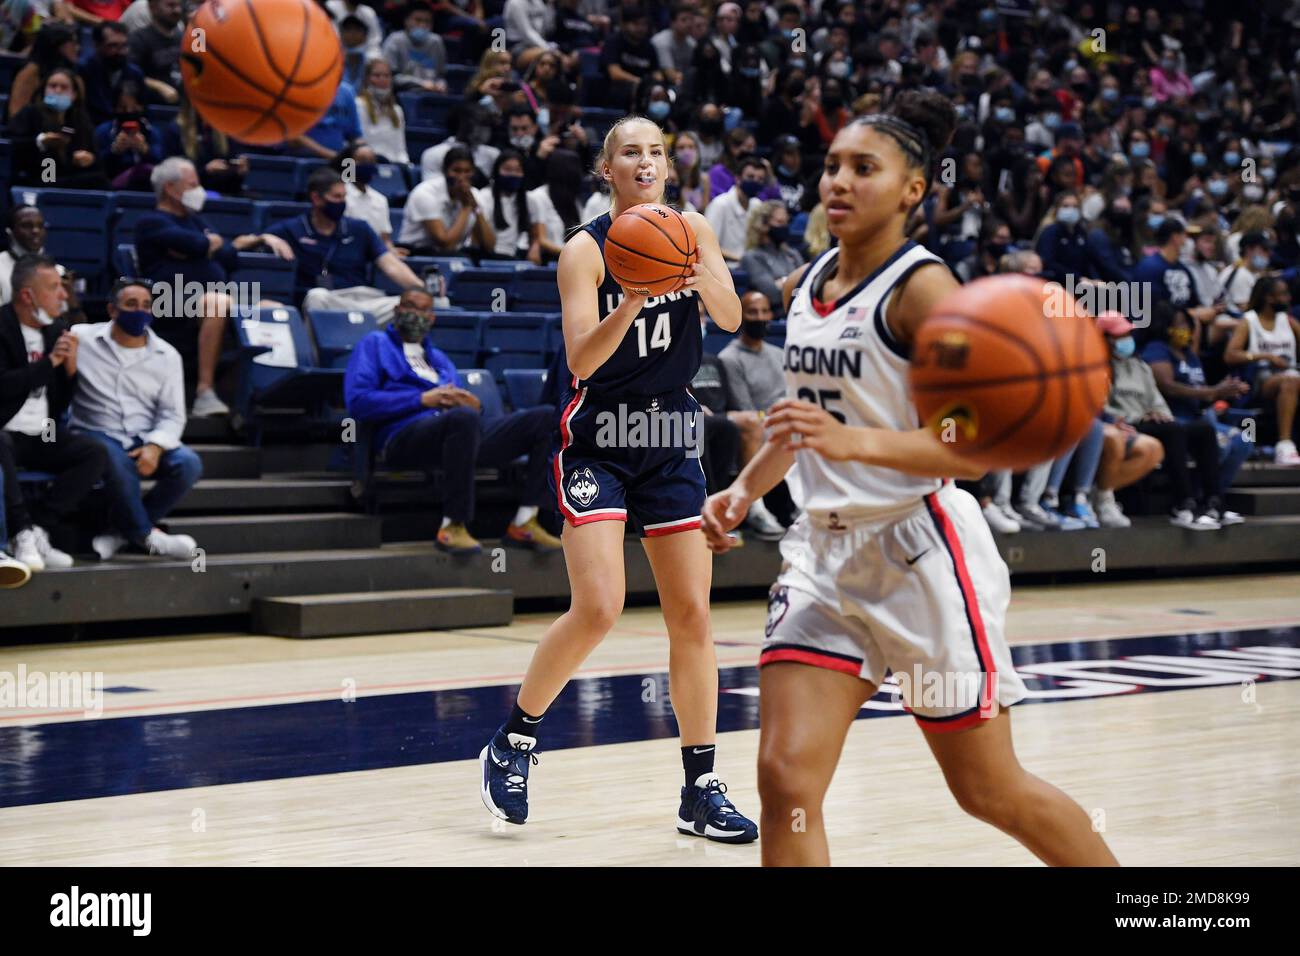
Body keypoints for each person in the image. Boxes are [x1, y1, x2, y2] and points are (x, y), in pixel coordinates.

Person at [701, 92, 1119, 867]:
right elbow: (803, 415)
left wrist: (854, 440)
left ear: (913, 189)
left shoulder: (926, 292)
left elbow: (968, 447)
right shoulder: (809, 279)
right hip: (821, 560)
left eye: (865, 168)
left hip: (918, 555)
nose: (839, 182)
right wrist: (744, 489)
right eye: (832, 166)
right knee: (784, 781)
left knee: (987, 790)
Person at [478, 115, 758, 844]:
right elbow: (579, 362)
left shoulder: (693, 229)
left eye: (657, 152)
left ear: (669, 167)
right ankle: (514, 739)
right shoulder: (585, 250)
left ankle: (700, 787)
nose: (645, 162)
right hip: (598, 435)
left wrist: (698, 274)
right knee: (599, 607)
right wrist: (631, 296)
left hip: (669, 433)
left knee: (691, 616)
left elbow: (728, 316)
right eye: (630, 152)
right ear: (607, 170)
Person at [344, 288, 561, 554]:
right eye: (409, 307)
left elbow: (461, 409)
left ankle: (525, 521)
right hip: (401, 436)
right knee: (462, 419)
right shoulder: (374, 344)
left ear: (432, 318)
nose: (415, 315)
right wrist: (422, 400)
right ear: (397, 311)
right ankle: (453, 525)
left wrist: (473, 405)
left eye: (423, 310)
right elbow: (358, 402)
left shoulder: (439, 359)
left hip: (454, 432)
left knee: (547, 417)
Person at [136, 157, 295, 416]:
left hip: (215, 296)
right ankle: (204, 392)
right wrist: (204, 246)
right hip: (169, 299)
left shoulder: (196, 220)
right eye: (192, 184)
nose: (198, 190)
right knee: (218, 302)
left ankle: (269, 391)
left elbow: (229, 256)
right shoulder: (151, 222)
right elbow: (199, 245)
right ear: (169, 188)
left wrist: (204, 246)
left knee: (274, 309)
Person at [69, 278, 202, 559]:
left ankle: (120, 533)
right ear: (112, 310)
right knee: (113, 457)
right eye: (131, 304)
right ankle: (145, 535)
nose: (140, 311)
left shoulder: (167, 355)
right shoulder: (81, 338)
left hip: (142, 435)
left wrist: (155, 446)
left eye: (146, 306)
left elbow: (173, 414)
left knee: (188, 464)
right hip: (94, 431)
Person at [0, 255, 108, 573]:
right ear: (26, 296)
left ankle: (39, 529)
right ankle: (19, 533)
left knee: (93, 453)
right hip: (4, 431)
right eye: (53, 288)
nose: (63, 295)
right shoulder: (1, 326)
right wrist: (49, 364)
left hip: (41, 432)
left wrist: (70, 373)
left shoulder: (56, 330)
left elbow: (58, 403)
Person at [1101, 310, 1230, 528]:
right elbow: (1102, 408)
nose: (1125, 340)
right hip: (1125, 424)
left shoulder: (1140, 367)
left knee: (1204, 429)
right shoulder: (1099, 369)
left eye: (1127, 335)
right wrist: (1137, 417)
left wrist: (1160, 414)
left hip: (1151, 422)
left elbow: (1157, 400)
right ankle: (1182, 505)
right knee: (1173, 430)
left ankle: (1214, 503)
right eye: (1118, 336)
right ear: (1103, 339)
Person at [268, 168, 423, 322]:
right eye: (337, 197)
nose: (342, 202)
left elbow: (391, 265)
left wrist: (422, 289)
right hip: (327, 301)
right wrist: (264, 237)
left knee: (415, 305)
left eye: (344, 197)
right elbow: (243, 242)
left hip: (365, 301)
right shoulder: (293, 228)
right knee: (317, 296)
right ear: (316, 198)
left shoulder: (359, 228)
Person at [1143, 303, 1250, 511]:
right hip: (1173, 419)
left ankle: (1211, 498)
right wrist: (1212, 391)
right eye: (1180, 324)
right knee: (1220, 444)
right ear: (1165, 326)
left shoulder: (1189, 355)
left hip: (1197, 417)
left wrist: (1225, 391)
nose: (1186, 328)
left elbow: (1200, 394)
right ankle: (1193, 495)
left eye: (1187, 324)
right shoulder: (1157, 350)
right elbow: (1168, 387)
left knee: (1244, 440)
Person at [717, 291, 791, 540]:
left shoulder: (778, 354)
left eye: (764, 311)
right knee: (759, 422)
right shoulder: (730, 358)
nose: (760, 318)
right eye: (752, 312)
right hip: (760, 423)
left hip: (787, 422)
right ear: (742, 315)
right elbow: (744, 406)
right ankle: (755, 508)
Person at [1224, 276, 1300, 466]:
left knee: (1292, 379)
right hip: (1259, 378)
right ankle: (1285, 445)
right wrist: (1264, 356)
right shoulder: (1249, 321)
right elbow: (1230, 355)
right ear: (1269, 298)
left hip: (1290, 373)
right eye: (1283, 294)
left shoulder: (1288, 321)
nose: (1289, 298)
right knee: (1289, 382)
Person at [8, 68, 111, 190]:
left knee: (99, 180)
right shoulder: (31, 113)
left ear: (74, 94)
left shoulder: (80, 120)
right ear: (44, 90)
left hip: (70, 176)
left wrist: (89, 159)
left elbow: (94, 156)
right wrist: (41, 141)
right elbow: (12, 145)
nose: (57, 90)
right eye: (52, 86)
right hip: (41, 173)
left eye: (64, 87)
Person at [399, 147, 495, 256]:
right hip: (415, 251)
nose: (462, 177)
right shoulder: (425, 193)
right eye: (456, 171)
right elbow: (444, 244)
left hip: (451, 253)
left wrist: (477, 210)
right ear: (445, 171)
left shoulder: (476, 194)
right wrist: (466, 208)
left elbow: (489, 246)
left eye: (467, 171)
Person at [740, 200, 804, 316]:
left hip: (799, 316)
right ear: (763, 225)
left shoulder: (793, 254)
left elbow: (806, 289)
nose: (784, 227)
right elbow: (772, 294)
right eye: (780, 222)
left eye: (786, 222)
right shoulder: (752, 257)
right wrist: (793, 282)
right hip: (773, 319)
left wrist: (783, 282)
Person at [704, 155, 766, 264]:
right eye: (750, 177)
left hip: (751, 265)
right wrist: (740, 259)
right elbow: (707, 246)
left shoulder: (757, 205)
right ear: (738, 178)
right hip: (726, 266)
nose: (755, 182)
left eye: (760, 179)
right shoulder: (720, 204)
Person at [382, 4, 448, 93]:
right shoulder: (395, 40)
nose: (422, 25)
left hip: (431, 92)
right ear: (406, 21)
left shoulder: (436, 42)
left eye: (427, 21)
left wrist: (441, 84)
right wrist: (421, 83)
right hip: (403, 92)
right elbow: (390, 77)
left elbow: (441, 75)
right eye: (418, 20)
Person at [354, 58, 408, 164]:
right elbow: (359, 143)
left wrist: (406, 166)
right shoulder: (358, 105)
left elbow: (401, 148)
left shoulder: (397, 111)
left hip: (394, 165)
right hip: (368, 163)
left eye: (386, 76)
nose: (382, 79)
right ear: (367, 79)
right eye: (377, 75)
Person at [0, 207, 48, 306]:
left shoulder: (57, 271)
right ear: (10, 232)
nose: (35, 230)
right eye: (26, 226)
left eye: (40, 226)